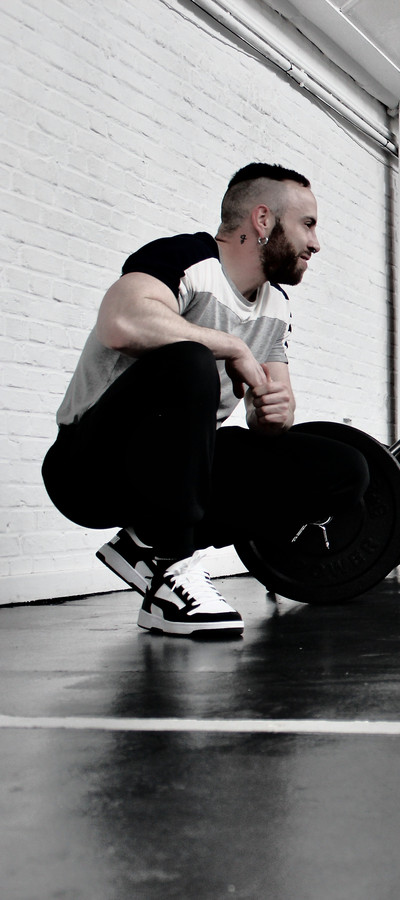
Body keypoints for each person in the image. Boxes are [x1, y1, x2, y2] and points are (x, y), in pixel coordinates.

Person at [43, 163, 370, 637]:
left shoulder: (275, 305)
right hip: (90, 469)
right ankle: (172, 564)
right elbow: (120, 322)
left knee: (343, 470)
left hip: (179, 474)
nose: (315, 243)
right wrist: (232, 346)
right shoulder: (186, 258)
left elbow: (270, 417)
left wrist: (275, 413)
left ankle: (144, 546)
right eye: (308, 224)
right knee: (190, 359)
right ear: (263, 220)